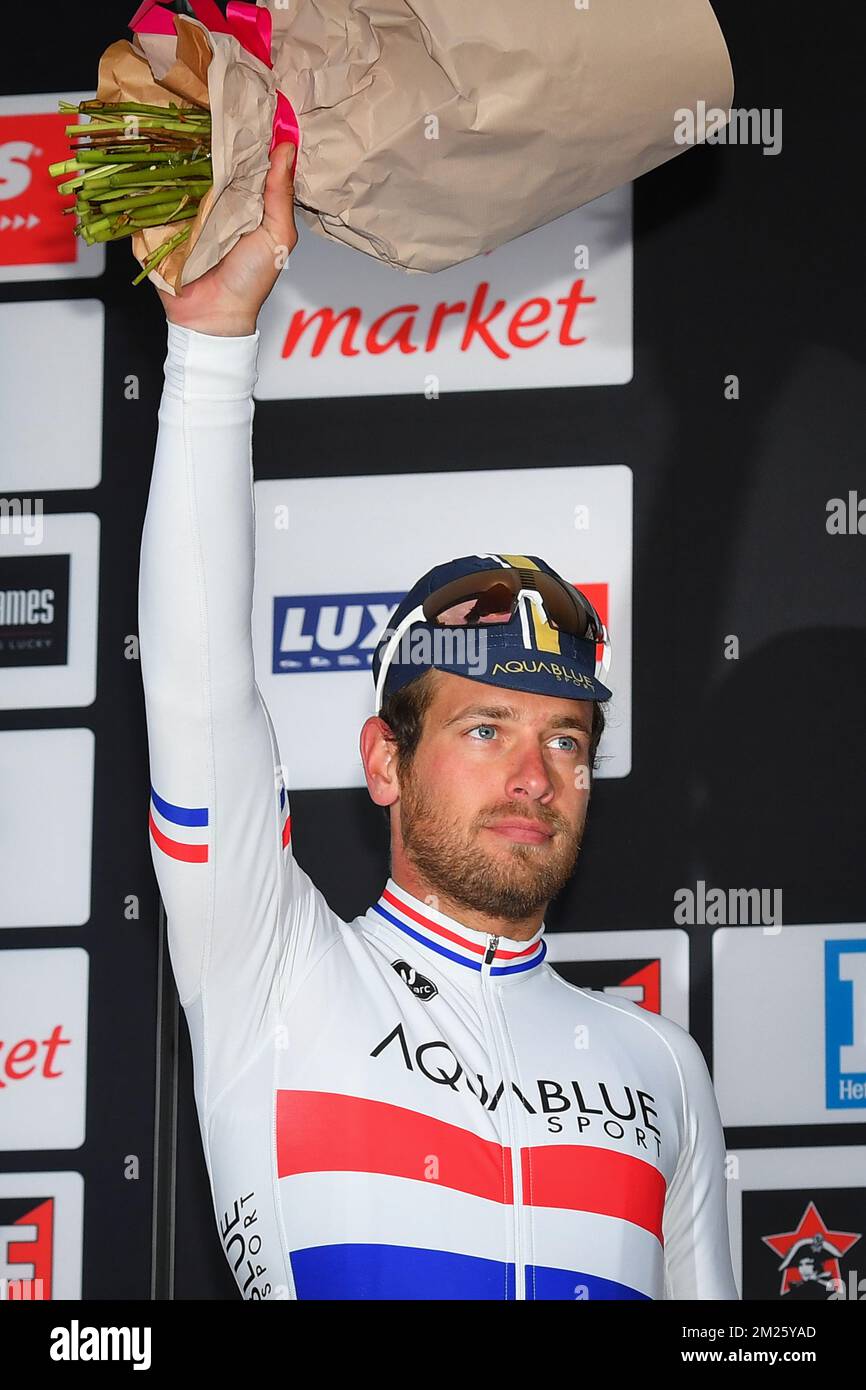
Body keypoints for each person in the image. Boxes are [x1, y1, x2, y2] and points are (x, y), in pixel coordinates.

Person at [138, 142, 739, 1301]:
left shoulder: (659, 1065)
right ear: (381, 758)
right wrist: (210, 353)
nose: (534, 772)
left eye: (565, 738)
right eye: (483, 727)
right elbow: (196, 686)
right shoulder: (273, 978)